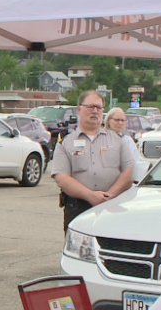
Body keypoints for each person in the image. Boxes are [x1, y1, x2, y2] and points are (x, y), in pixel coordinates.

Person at [51, 91, 134, 231]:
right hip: (78, 208)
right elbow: (61, 178)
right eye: (90, 107)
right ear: (79, 109)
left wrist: (110, 195)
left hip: (113, 206)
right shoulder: (65, 143)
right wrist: (90, 196)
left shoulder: (118, 141)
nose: (95, 111)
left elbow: (130, 170)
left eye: (99, 108)